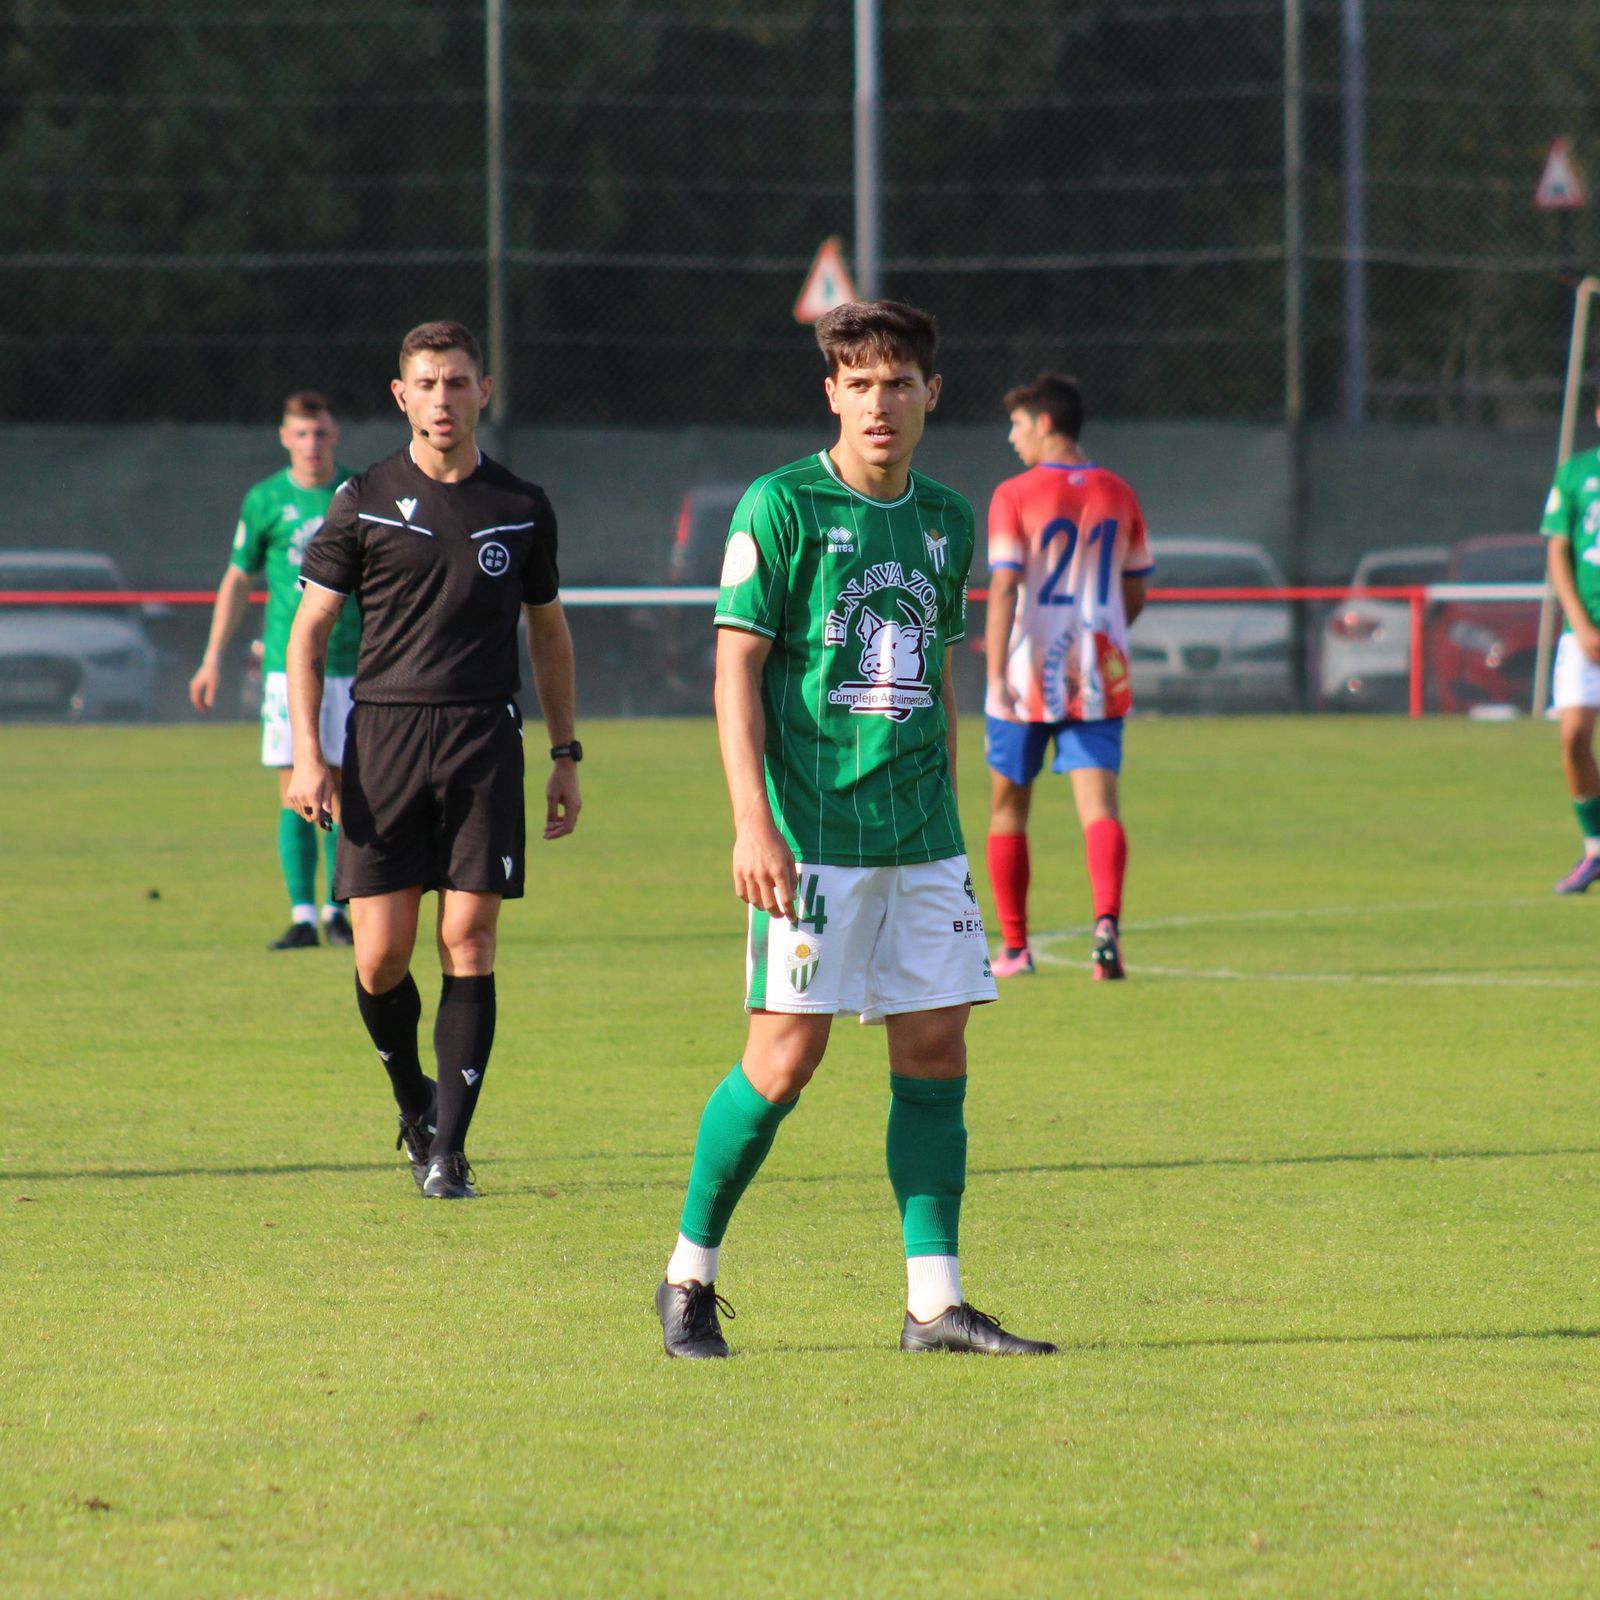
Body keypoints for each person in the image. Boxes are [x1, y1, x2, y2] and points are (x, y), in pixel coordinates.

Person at [653, 300, 1056, 1360]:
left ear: (933, 393)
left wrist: (955, 821)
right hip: (812, 833)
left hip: (922, 835)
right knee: (783, 1061)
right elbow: (734, 669)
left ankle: (935, 1303)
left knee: (935, 1049)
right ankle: (687, 1277)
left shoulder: (946, 518)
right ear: (831, 392)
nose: (881, 401)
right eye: (860, 383)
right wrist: (753, 822)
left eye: (899, 381)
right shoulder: (779, 505)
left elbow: (940, 680)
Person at [285, 321, 581, 1200]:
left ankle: (448, 1151)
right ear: (401, 395)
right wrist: (309, 754)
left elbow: (550, 632)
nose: (444, 399)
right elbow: (309, 635)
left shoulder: (521, 504)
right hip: (381, 740)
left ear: (483, 390)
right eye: (428, 384)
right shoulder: (364, 497)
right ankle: (414, 1099)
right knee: (379, 957)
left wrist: (566, 752)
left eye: (459, 382)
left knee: (469, 938)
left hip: (484, 739)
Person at [982, 373, 1153, 979]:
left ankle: (1016, 949)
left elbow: (1004, 584)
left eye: (1019, 424)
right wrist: (1106, 627)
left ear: (1046, 424)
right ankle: (1106, 925)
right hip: (1097, 673)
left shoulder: (1014, 494)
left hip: (1026, 673)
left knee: (1008, 808)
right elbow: (1134, 591)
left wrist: (996, 669)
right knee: (1099, 806)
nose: (1012, 436)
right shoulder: (1119, 492)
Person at [189, 392, 362, 949]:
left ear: (335, 435)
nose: (312, 444)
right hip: (291, 669)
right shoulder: (264, 499)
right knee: (296, 788)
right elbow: (238, 578)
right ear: (285, 438)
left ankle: (340, 912)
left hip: (356, 663)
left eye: (321, 433)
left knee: (344, 790)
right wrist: (213, 656)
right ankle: (302, 914)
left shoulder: (359, 492)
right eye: (302, 434)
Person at [1542, 403, 1600, 894]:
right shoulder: (1576, 472)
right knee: (1573, 739)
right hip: (1584, 634)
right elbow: (1557, 551)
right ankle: (1596, 850)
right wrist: (1581, 626)